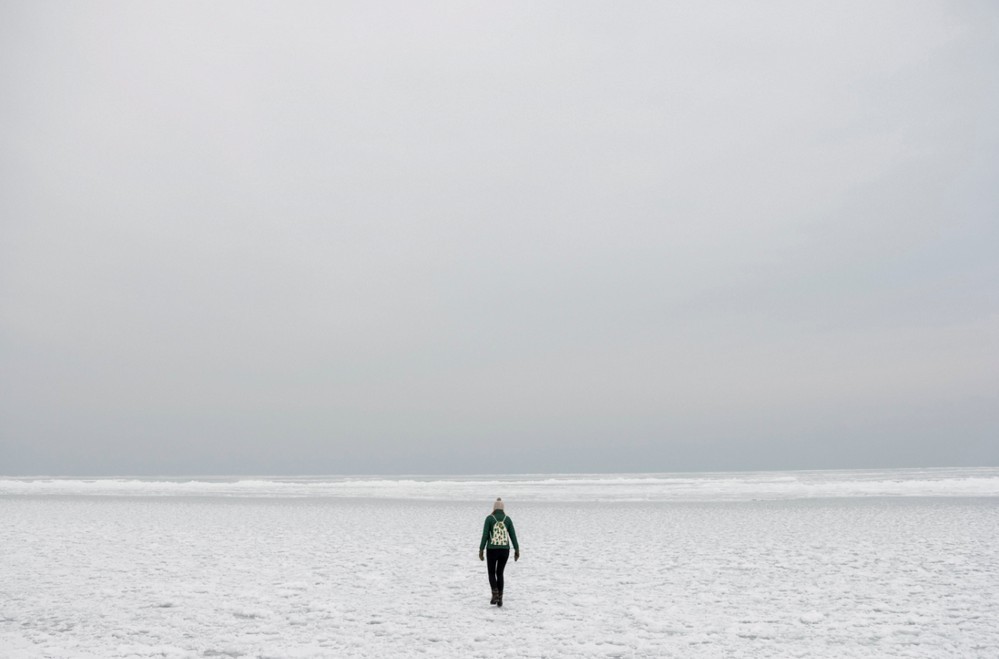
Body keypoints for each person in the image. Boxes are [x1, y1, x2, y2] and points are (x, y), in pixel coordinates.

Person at [478, 497, 520, 607]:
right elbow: (513, 535)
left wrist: (481, 549)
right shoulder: (508, 519)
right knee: (500, 573)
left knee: (491, 573)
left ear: (494, 507)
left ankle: (495, 593)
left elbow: (485, 535)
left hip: (492, 550)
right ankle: (500, 599)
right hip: (505, 550)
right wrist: (517, 549)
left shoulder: (489, 519)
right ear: (503, 508)